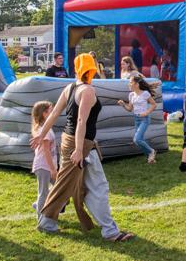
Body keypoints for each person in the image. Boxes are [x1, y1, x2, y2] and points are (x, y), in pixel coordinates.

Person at [31, 53, 134, 242]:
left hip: (72, 142)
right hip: (80, 145)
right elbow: (81, 121)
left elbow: (54, 115)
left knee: (79, 185)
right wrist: (79, 150)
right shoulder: (86, 91)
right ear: (91, 69)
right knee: (94, 186)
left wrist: (41, 134)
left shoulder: (70, 87)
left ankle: (105, 229)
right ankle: (108, 231)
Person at [116, 75, 157, 163]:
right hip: (137, 118)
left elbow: (154, 104)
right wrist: (123, 104)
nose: (129, 84)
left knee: (137, 139)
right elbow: (130, 109)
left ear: (137, 84)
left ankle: (151, 151)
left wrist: (146, 112)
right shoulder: (131, 95)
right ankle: (150, 157)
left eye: (131, 82)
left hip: (144, 119)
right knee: (138, 141)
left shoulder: (145, 93)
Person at [30, 101, 58, 218]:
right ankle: (41, 217)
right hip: (44, 166)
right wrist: (52, 169)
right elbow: (46, 151)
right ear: (44, 114)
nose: (53, 113)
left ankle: (38, 205)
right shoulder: (43, 130)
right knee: (43, 192)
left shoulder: (45, 128)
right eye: (51, 111)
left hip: (47, 165)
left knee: (58, 187)